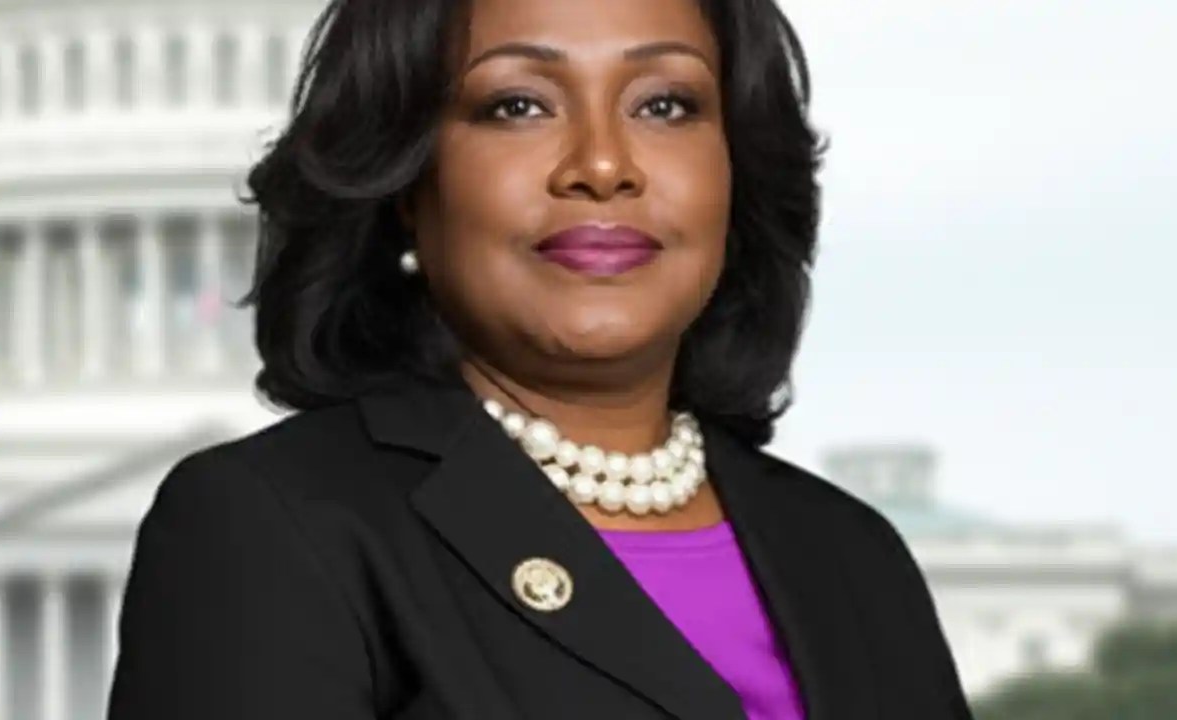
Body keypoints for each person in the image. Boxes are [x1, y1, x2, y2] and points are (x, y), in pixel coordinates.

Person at [106, 0, 974, 718]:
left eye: (665, 104)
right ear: (408, 180)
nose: (602, 165)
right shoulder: (272, 527)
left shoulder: (854, 557)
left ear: (737, 171)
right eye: (517, 104)